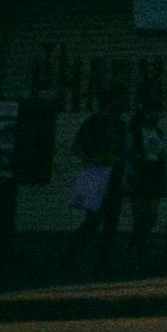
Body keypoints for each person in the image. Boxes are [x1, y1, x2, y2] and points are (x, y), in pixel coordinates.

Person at [63, 102, 127, 275]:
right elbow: (77, 147)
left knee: (102, 221)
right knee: (97, 221)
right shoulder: (102, 124)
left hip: (107, 174)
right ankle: (92, 260)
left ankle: (92, 259)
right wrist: (94, 159)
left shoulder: (110, 124)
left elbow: (77, 147)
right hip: (101, 174)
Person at [124, 107, 167, 250]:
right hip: (140, 173)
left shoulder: (158, 132)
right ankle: (138, 243)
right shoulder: (135, 133)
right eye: (151, 113)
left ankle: (140, 241)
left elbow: (161, 154)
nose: (155, 116)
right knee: (140, 212)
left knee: (152, 212)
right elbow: (127, 155)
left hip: (154, 173)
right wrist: (130, 174)